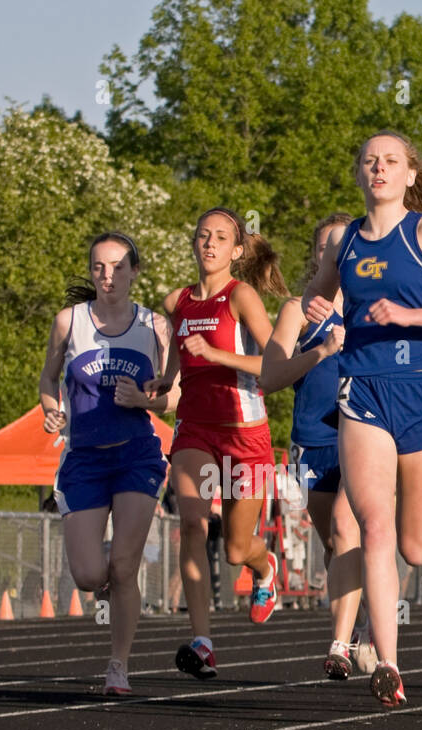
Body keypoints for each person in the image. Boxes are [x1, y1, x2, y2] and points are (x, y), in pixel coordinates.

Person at [301, 130, 422, 706]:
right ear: (359, 175)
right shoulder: (345, 243)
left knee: (414, 544)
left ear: (410, 175)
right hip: (362, 390)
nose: (379, 168)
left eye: (390, 161)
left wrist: (413, 313)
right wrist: (318, 309)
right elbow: (318, 299)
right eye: (370, 161)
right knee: (373, 526)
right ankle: (387, 662)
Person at [143, 207, 288, 680]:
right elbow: (174, 369)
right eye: (203, 235)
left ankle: (265, 570)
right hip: (195, 429)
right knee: (191, 523)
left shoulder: (240, 295)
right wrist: (157, 385)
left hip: (246, 434)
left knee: (235, 550)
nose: (209, 244)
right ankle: (203, 641)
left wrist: (218, 354)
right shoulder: (177, 302)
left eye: (221, 237)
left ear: (237, 250)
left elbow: (274, 363)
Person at [40, 231, 174, 694]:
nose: (107, 275)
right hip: (84, 460)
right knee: (88, 575)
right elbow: (47, 378)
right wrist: (50, 410)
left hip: (136, 456)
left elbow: (174, 396)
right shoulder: (68, 322)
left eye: (118, 266)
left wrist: (145, 400)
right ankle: (106, 587)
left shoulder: (155, 326)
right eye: (99, 267)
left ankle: (118, 664)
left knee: (123, 567)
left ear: (134, 271)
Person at [259, 212, 376, 677]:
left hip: (367, 432)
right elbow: (269, 378)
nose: (335, 255)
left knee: (350, 531)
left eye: (342, 246)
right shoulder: (297, 309)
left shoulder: (377, 303)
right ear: (316, 256)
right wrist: (322, 351)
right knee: (335, 544)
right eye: (326, 248)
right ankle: (365, 612)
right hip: (314, 440)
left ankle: (341, 644)